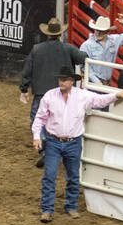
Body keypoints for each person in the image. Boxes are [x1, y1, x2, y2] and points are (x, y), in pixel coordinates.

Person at [32, 66, 123, 221]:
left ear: (72, 81)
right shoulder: (49, 96)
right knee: (49, 176)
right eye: (60, 79)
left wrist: (116, 95)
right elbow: (40, 118)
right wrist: (37, 136)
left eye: (65, 79)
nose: (62, 82)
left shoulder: (82, 96)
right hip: (54, 140)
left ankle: (70, 206)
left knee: (73, 176)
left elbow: (100, 100)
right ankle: (47, 209)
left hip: (73, 141)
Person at [20, 16, 88, 165]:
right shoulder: (68, 48)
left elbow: (27, 70)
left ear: (47, 33)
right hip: (63, 92)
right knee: (65, 119)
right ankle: (64, 149)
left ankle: (45, 150)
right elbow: (84, 57)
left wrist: (24, 88)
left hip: (41, 91)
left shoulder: (37, 49)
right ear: (60, 34)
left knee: (39, 120)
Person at [79, 12, 123, 85]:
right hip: (92, 83)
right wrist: (97, 81)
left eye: (102, 31)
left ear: (107, 32)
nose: (98, 33)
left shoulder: (114, 40)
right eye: (97, 30)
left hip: (107, 82)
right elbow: (84, 66)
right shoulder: (86, 45)